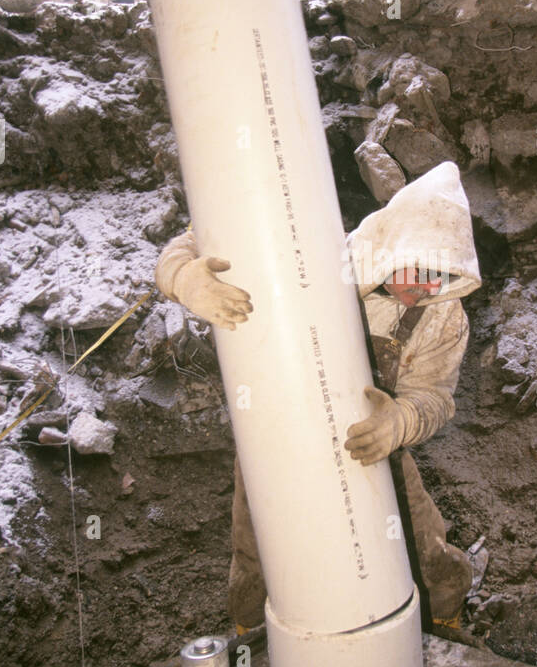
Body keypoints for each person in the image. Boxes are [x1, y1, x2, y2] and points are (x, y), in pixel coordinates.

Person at [155, 162, 481, 629]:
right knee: (259, 545)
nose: (426, 288)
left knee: (422, 539)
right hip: (275, 428)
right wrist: (183, 278)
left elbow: (436, 396)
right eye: (420, 270)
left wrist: (399, 423)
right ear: (393, 245)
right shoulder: (315, 254)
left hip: (368, 439)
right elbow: (198, 237)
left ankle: (445, 626)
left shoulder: (444, 317)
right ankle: (253, 634)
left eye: (442, 276)